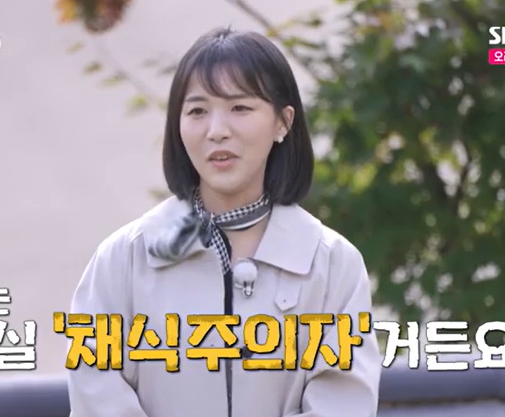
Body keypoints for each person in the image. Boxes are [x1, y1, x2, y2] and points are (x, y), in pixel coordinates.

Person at [66, 26, 381, 417]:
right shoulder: (123, 260)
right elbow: (96, 395)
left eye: (240, 108)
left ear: (283, 122)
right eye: (197, 111)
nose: (216, 131)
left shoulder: (332, 264)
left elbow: (342, 405)